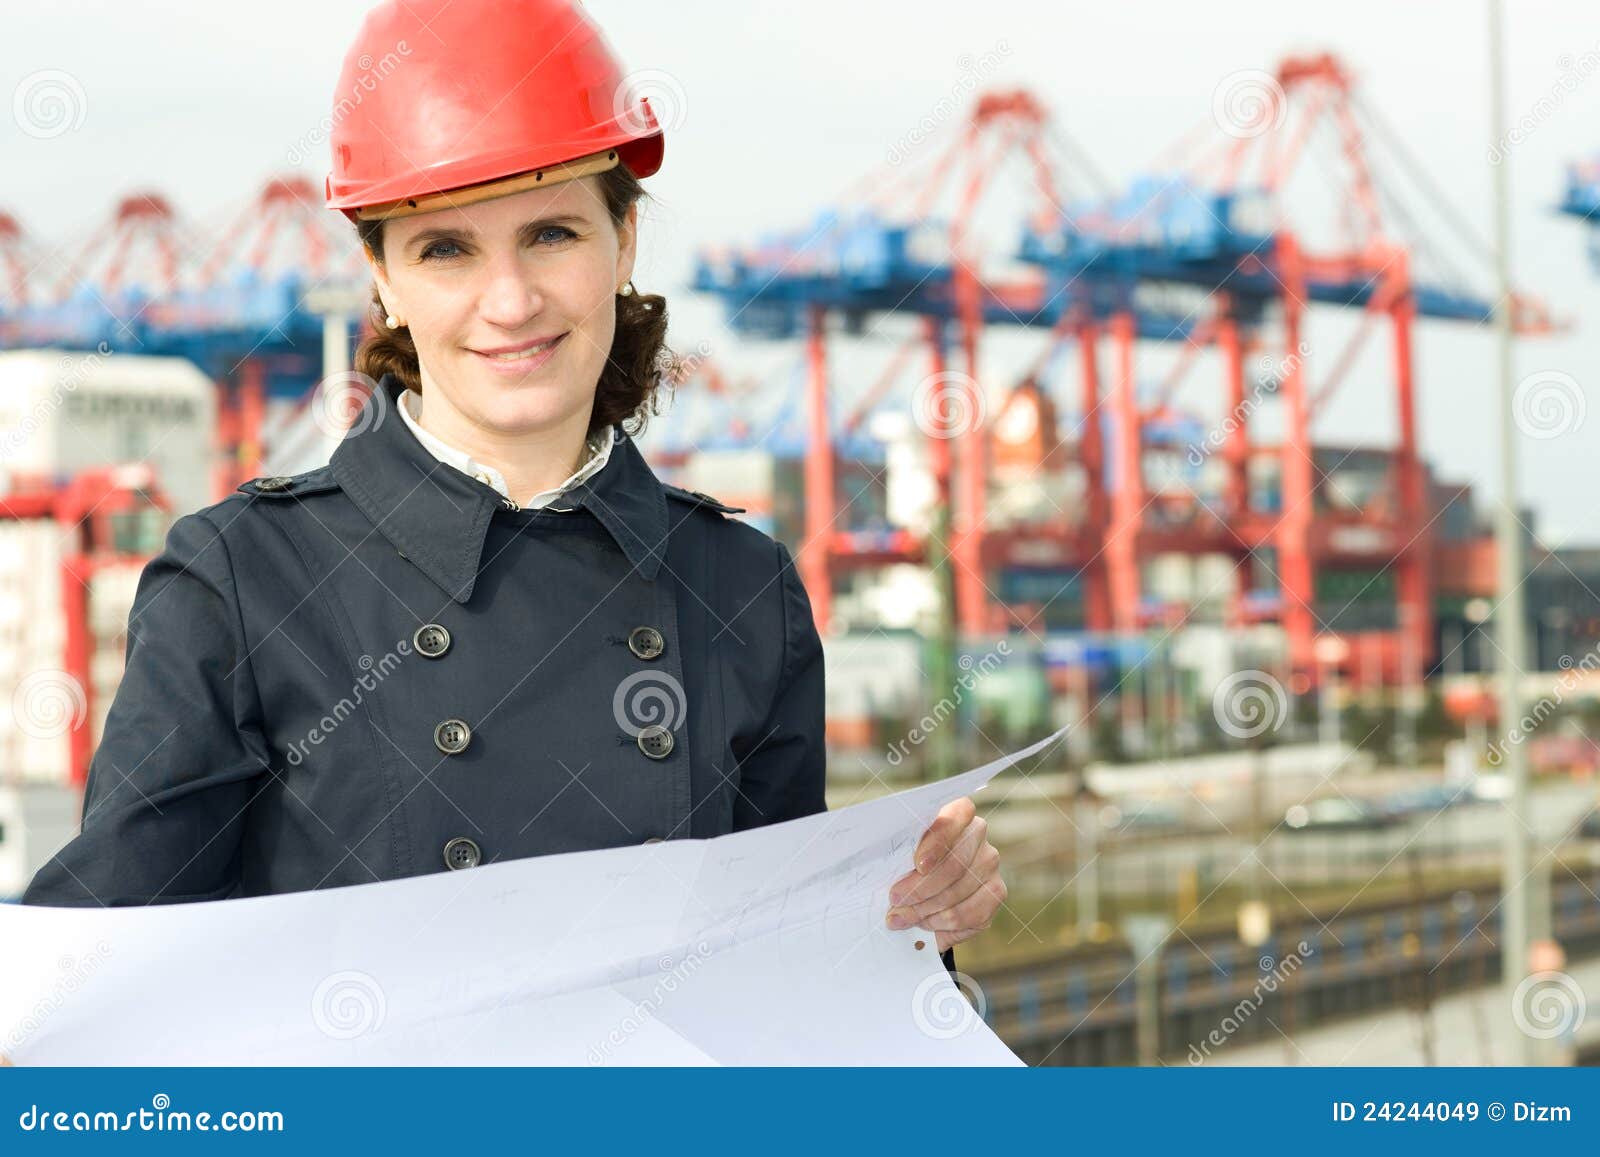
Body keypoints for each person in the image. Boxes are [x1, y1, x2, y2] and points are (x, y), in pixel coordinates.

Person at [17, 0, 1004, 1021]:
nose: (510, 299)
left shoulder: (740, 586)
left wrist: (904, 924)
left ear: (622, 244)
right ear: (384, 281)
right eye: (446, 248)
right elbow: (94, 969)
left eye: (551, 233)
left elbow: (778, 986)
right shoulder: (241, 579)